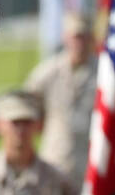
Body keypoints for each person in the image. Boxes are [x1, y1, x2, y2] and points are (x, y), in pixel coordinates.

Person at [24, 11, 98, 185]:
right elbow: (27, 107)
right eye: (76, 37)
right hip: (55, 160)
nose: (80, 43)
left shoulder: (105, 72)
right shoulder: (48, 72)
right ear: (66, 38)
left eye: (84, 37)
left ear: (92, 39)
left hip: (92, 164)